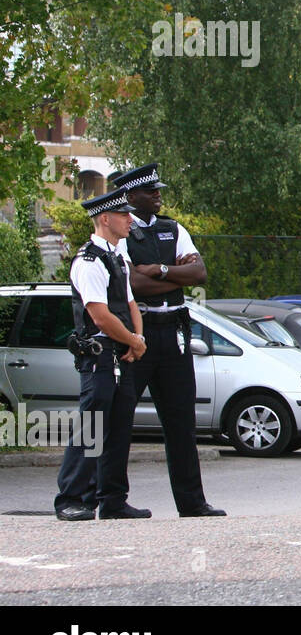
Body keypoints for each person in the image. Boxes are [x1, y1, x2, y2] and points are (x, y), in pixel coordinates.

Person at [112, 163, 225, 518]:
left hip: (173, 332)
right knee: (119, 418)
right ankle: (113, 500)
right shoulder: (122, 233)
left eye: (158, 190)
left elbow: (200, 274)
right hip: (138, 333)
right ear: (131, 197)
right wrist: (176, 278)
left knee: (180, 420)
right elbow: (135, 285)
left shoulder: (172, 228)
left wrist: (160, 270)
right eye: (151, 191)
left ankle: (192, 502)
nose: (159, 195)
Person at [54, 188, 150, 521]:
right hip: (99, 356)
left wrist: (136, 338)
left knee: (120, 428)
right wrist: (133, 342)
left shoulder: (118, 257)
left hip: (122, 352)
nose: (129, 221)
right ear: (105, 219)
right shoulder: (89, 260)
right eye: (124, 215)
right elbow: (100, 314)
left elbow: (130, 302)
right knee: (91, 428)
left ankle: (112, 499)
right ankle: (72, 497)